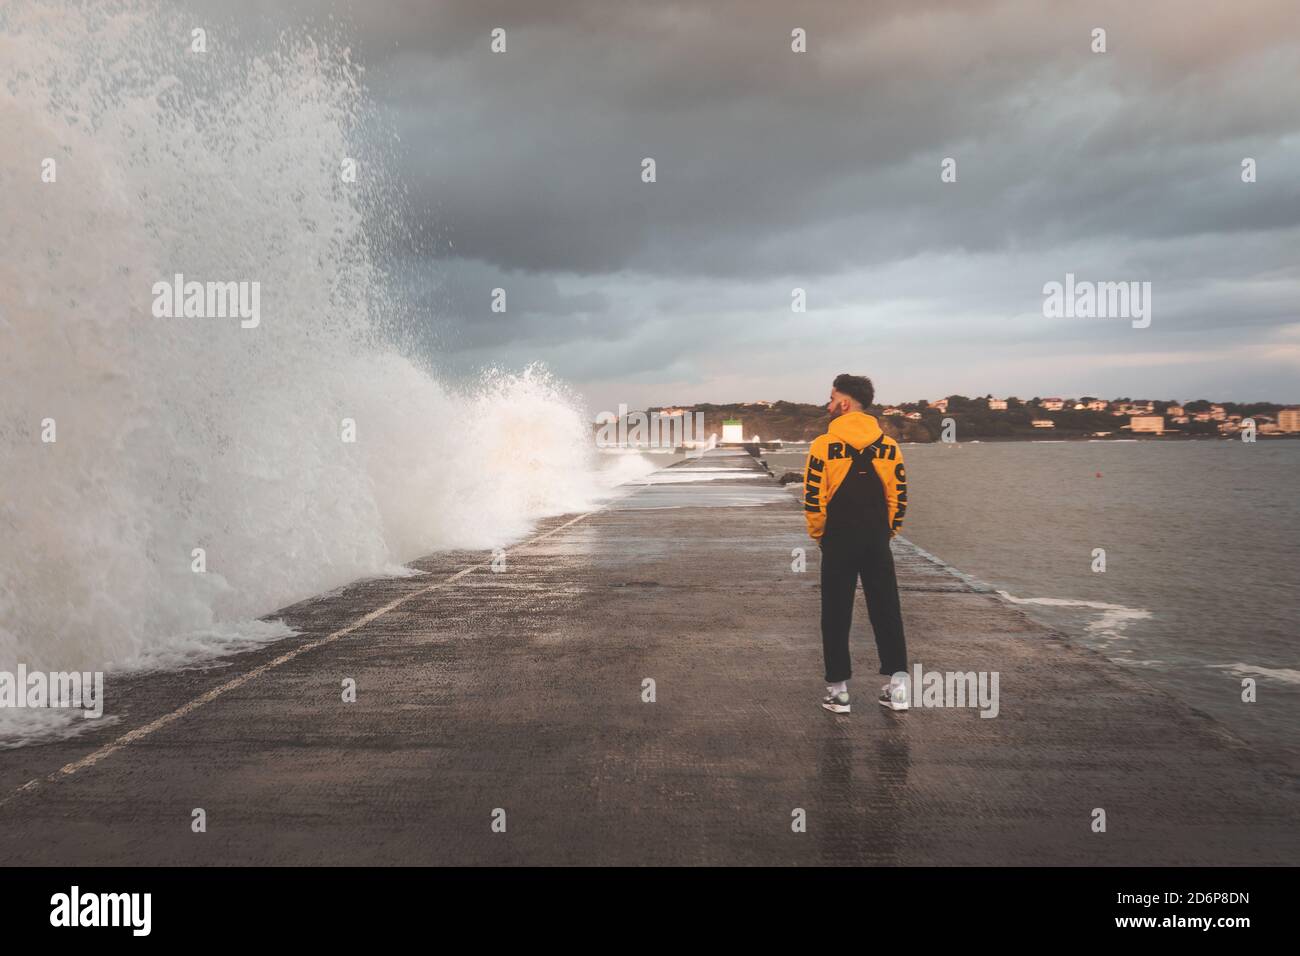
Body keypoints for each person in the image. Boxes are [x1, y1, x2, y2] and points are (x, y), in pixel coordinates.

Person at [802, 374, 910, 713]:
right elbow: (899, 498)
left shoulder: (823, 445)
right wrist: (887, 533)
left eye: (832, 398)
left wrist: (819, 535)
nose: (828, 404)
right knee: (887, 610)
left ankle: (839, 692)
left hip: (838, 539)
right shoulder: (889, 447)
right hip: (877, 538)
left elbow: (813, 500)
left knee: (835, 613)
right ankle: (898, 690)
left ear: (845, 404)